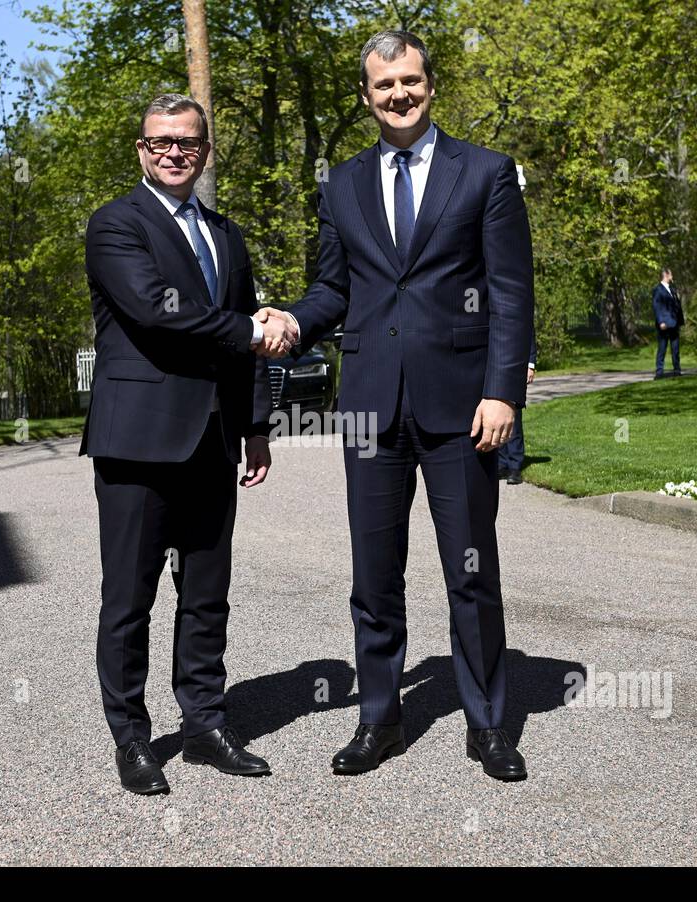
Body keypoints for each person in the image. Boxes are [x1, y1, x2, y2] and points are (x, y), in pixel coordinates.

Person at [261, 30, 535, 781]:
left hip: (463, 408)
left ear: (431, 84)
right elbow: (332, 290)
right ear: (366, 96)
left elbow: (510, 293)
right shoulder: (341, 184)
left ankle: (488, 726)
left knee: (470, 572)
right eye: (384, 86)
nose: (399, 95)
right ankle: (379, 719)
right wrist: (291, 319)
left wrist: (502, 390)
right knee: (373, 573)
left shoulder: (484, 173)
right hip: (370, 408)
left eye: (410, 80)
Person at [80, 93, 297, 796]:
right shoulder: (117, 225)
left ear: (205, 151)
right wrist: (251, 329)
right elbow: (156, 309)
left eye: (188, 143)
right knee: (130, 598)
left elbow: (243, 351)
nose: (174, 152)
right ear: (141, 149)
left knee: (207, 596)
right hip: (136, 444)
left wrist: (257, 425)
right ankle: (133, 738)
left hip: (212, 441)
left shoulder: (226, 235)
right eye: (160, 141)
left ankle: (204, 723)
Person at [498, 336, 537, 484]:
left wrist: (530, 365)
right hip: (495, 367)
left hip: (515, 368)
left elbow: (529, 336)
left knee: (514, 418)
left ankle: (515, 466)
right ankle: (501, 463)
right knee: (497, 416)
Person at [652, 268, 683, 378]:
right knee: (662, 348)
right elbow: (657, 307)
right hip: (664, 323)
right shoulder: (658, 290)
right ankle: (659, 371)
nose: (672, 276)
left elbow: (676, 306)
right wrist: (661, 322)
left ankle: (677, 369)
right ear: (666, 275)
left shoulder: (672, 289)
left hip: (674, 323)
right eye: (671, 274)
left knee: (675, 348)